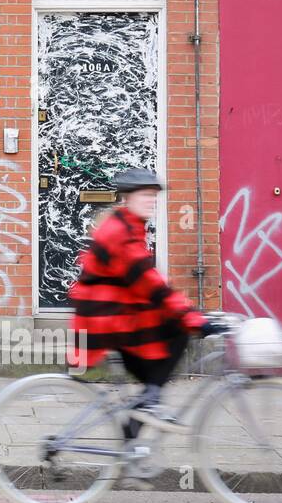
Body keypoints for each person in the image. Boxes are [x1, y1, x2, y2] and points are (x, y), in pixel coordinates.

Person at [69, 168, 227, 437]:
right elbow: (149, 284)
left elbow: (147, 284)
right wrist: (193, 318)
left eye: (154, 195)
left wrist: (186, 312)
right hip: (106, 320)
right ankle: (143, 415)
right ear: (127, 198)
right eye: (145, 195)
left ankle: (132, 442)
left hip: (114, 313)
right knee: (176, 334)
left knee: (152, 379)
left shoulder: (129, 225)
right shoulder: (120, 233)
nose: (152, 200)